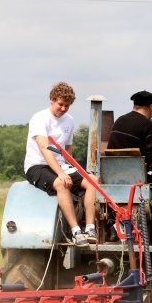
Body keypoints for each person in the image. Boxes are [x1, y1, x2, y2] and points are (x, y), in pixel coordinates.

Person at [24, 82, 97, 247]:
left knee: (92, 180)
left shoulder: (69, 120)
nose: (63, 109)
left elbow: (67, 150)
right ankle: (76, 231)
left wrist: (73, 170)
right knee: (61, 184)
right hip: (38, 165)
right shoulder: (39, 118)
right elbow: (45, 148)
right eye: (60, 104)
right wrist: (61, 173)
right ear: (51, 99)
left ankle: (91, 228)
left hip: (60, 164)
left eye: (67, 106)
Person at [107, 90, 152, 179]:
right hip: (136, 178)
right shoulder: (148, 126)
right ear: (151, 106)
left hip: (111, 176)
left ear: (134, 106)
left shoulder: (119, 121)